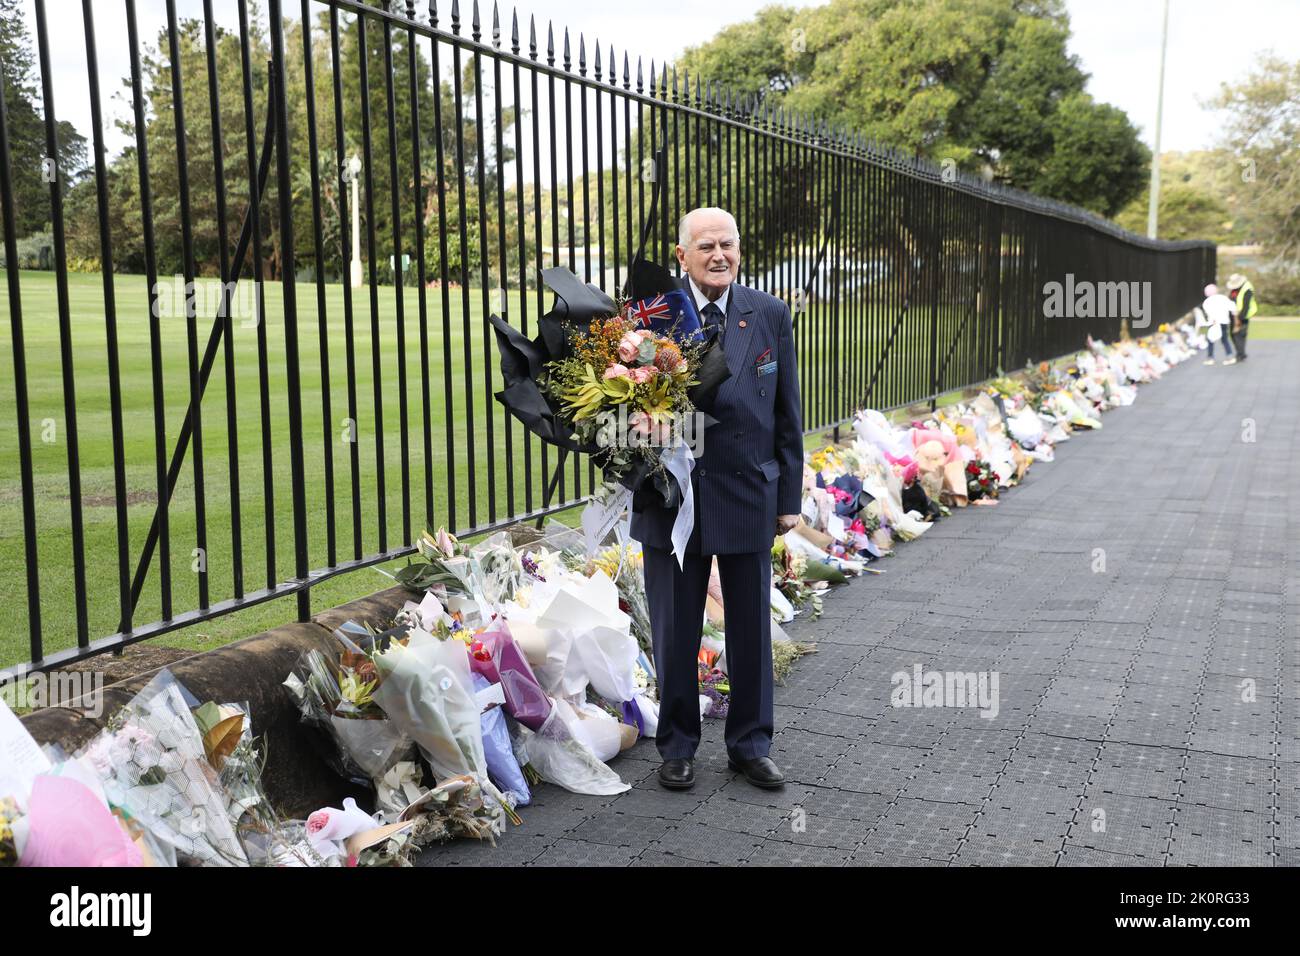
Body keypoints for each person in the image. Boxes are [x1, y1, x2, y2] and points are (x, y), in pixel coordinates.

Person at [629, 207, 804, 791]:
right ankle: (676, 747)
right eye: (705, 246)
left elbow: (787, 411)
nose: (718, 255)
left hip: (746, 490)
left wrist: (788, 495)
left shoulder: (769, 314)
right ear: (683, 256)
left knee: (750, 629)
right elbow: (621, 409)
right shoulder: (648, 318)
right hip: (671, 495)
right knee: (674, 629)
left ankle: (751, 745)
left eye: (727, 243)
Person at [1201, 283, 1236, 366]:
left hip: (1213, 322)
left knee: (1210, 340)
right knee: (1225, 340)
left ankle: (1210, 358)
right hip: (1224, 322)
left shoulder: (1207, 302)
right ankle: (1230, 356)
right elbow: (1233, 307)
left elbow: (1208, 313)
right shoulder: (1223, 298)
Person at [1226, 273, 1257, 362]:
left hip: (1242, 316)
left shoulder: (1247, 289)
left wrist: (1239, 319)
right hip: (1234, 315)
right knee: (1234, 334)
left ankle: (1240, 354)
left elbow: (1246, 306)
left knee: (1239, 335)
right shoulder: (1235, 290)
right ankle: (1241, 353)